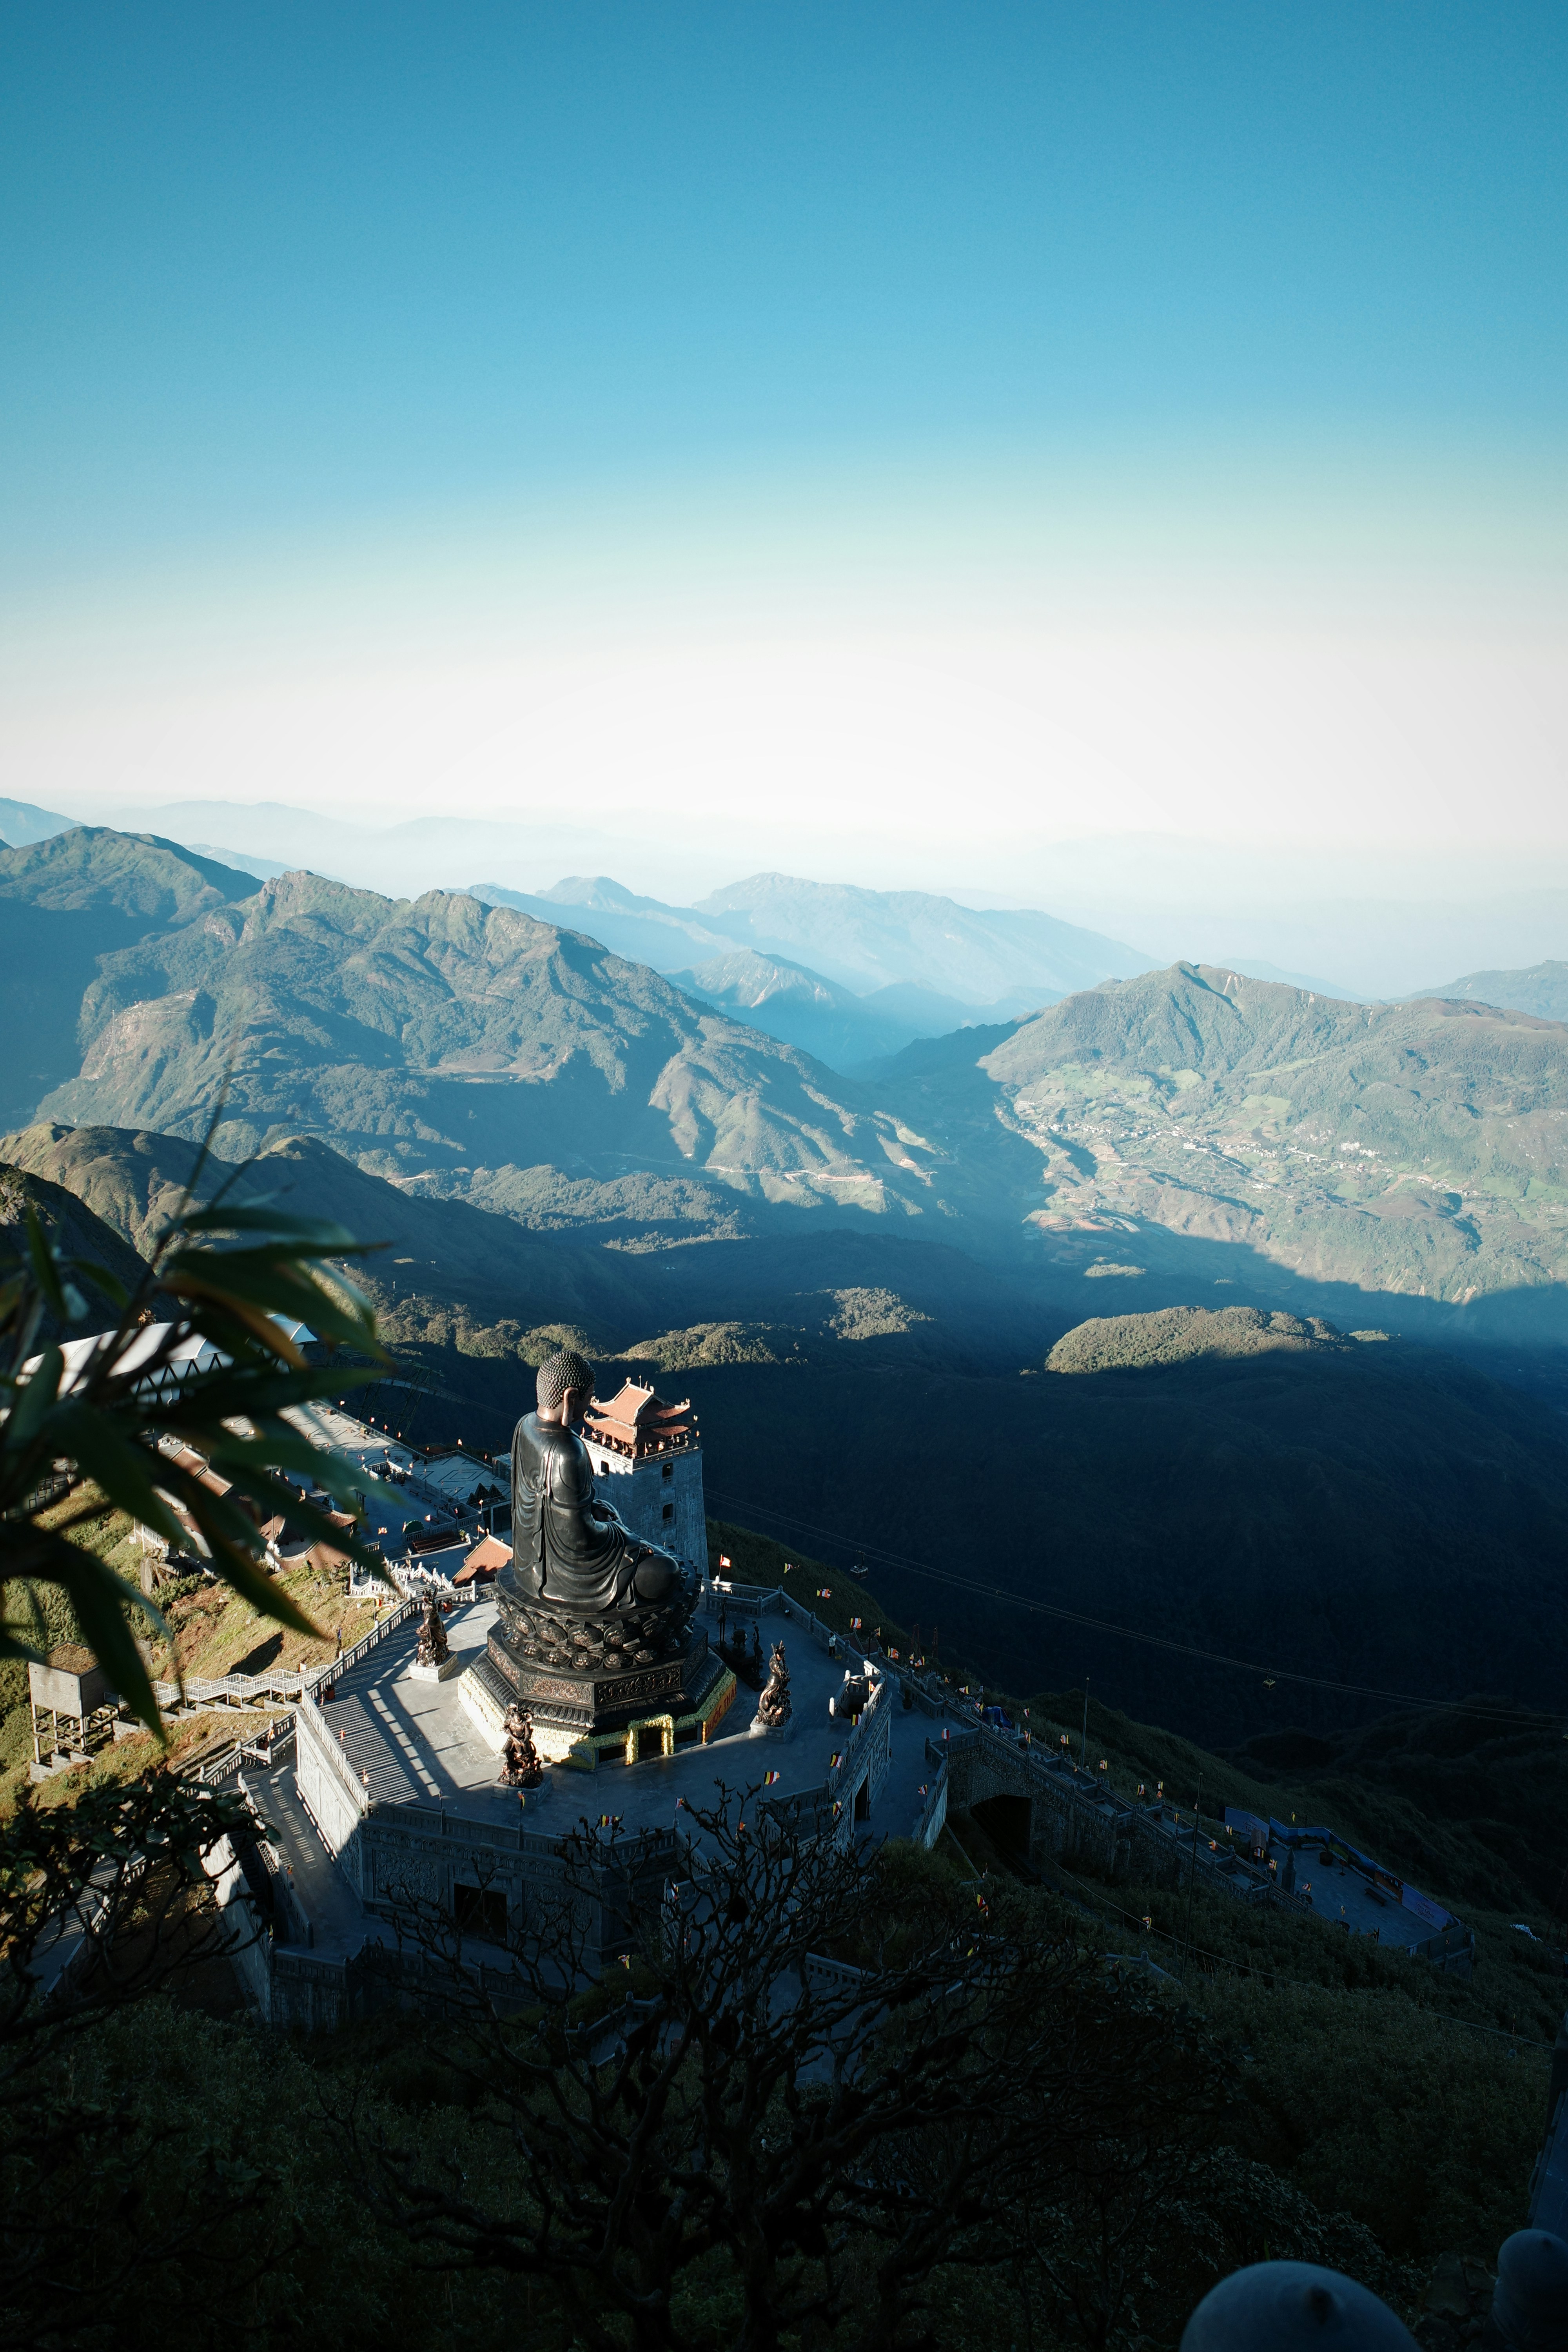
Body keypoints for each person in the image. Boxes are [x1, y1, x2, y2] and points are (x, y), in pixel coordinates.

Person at [510, 1350, 686, 1617]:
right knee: (667, 1571)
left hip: (527, 1567)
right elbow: (580, 1540)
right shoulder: (569, 1451)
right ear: (570, 1398)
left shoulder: (523, 1425)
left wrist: (591, 1509)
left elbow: (536, 1509)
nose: (591, 1404)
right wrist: (622, 1533)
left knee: (602, 1507)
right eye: (589, 1397)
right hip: (567, 1581)